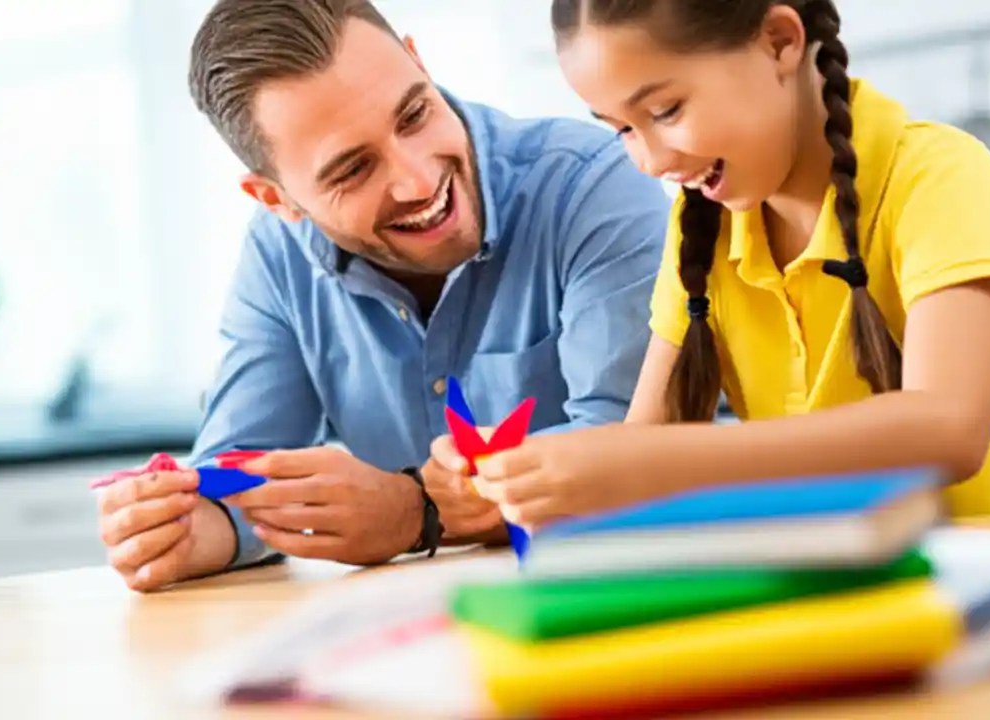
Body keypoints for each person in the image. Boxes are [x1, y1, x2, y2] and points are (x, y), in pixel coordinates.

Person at [93, 0, 670, 592]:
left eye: (414, 114)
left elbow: (633, 456)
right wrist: (190, 529)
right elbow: (244, 469)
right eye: (352, 169)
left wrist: (417, 510)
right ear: (276, 199)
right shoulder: (278, 253)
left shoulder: (596, 185)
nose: (419, 180)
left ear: (417, 61)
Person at [456, 0, 990, 531]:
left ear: (780, 41)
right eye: (621, 129)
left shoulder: (936, 172)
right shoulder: (700, 230)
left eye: (666, 111)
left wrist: (661, 462)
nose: (648, 161)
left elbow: (946, 430)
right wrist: (524, 470)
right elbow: (643, 440)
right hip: (858, 607)